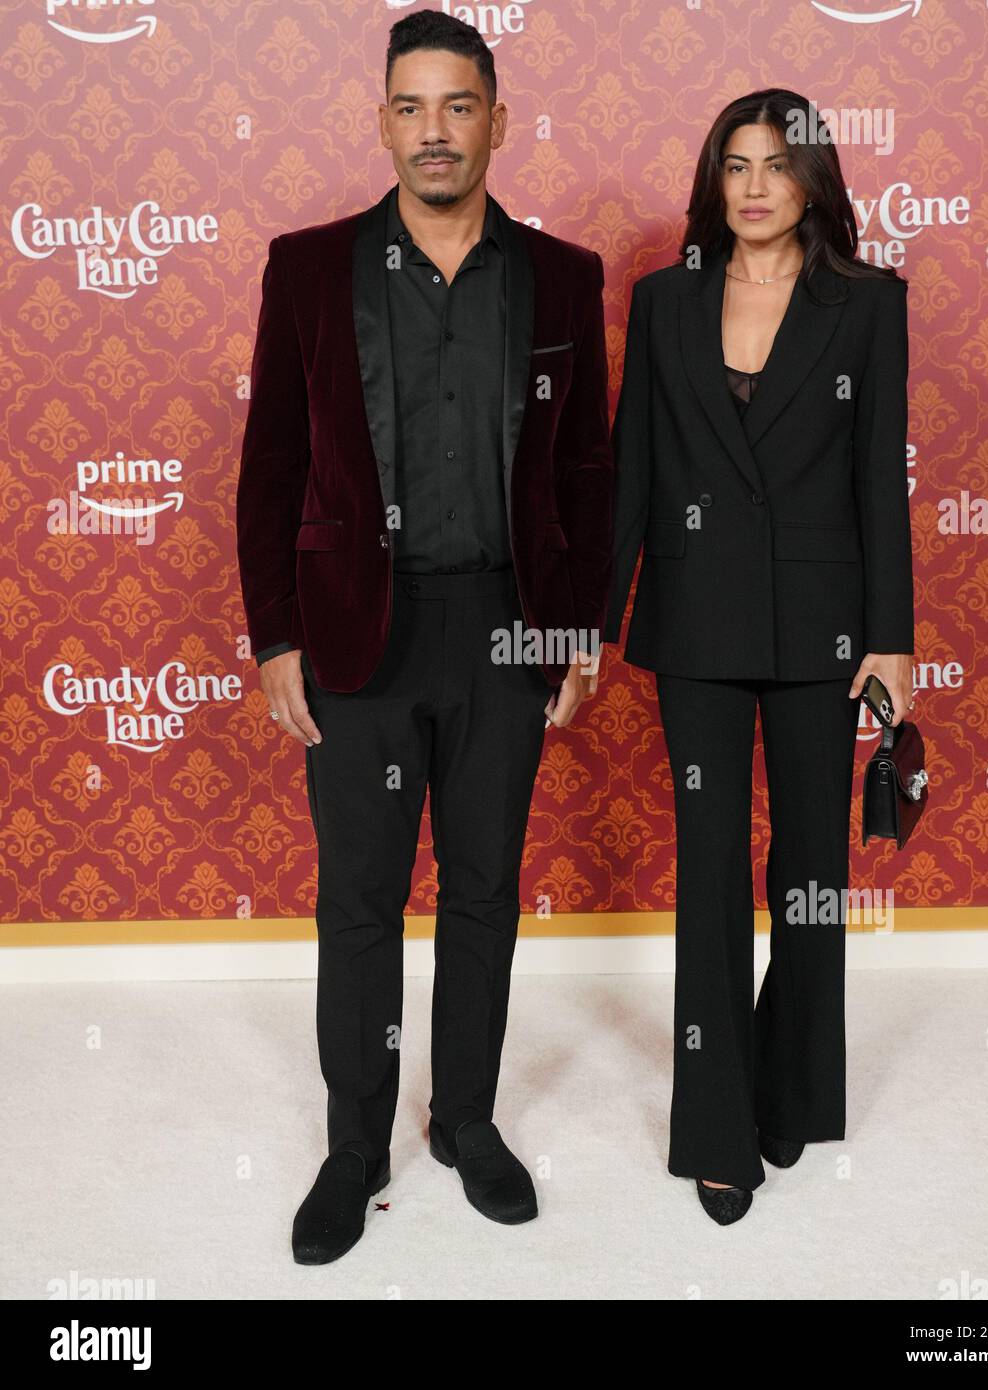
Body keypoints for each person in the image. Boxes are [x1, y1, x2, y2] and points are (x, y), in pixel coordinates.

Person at [235, 9, 612, 1263]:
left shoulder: (561, 278)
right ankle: (354, 1146)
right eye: (411, 106)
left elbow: (588, 469)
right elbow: (271, 466)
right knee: (358, 899)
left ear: (497, 122)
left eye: (459, 106)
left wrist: (575, 631)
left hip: (505, 626)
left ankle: (464, 1120)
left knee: (487, 892)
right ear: (381, 120)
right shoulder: (306, 268)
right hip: (357, 633)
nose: (435, 130)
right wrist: (274, 639)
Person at [604, 89, 915, 1225]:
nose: (750, 186)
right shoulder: (662, 302)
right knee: (708, 876)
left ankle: (792, 1085)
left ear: (811, 183)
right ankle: (717, 1128)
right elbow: (632, 468)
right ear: (712, 180)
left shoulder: (867, 306)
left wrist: (892, 638)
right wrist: (589, 623)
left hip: (821, 636)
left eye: (774, 166)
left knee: (811, 878)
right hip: (693, 628)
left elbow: (878, 477)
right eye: (732, 164)